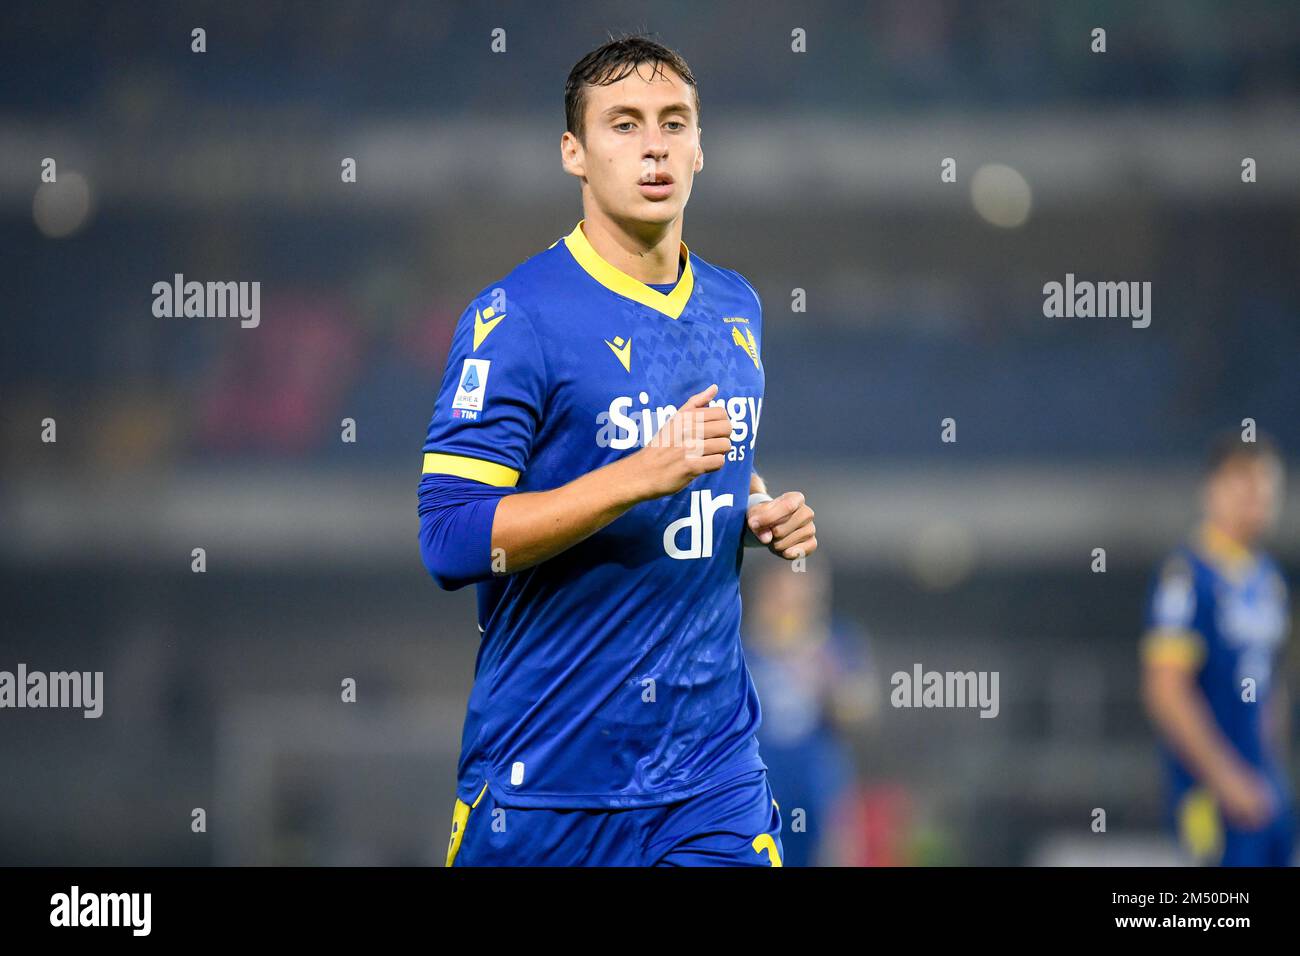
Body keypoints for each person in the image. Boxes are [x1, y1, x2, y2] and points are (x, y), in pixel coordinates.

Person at [417, 34, 817, 866]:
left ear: (701, 146)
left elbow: (694, 462)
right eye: (624, 124)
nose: (654, 146)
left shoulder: (736, 307)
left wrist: (748, 511)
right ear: (575, 152)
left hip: (710, 774)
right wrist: (642, 475)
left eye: (674, 123)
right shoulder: (517, 320)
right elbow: (451, 539)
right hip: (548, 781)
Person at [1140, 433, 1292, 865]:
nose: (1256, 501)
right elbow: (1166, 692)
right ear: (1212, 490)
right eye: (1243, 488)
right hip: (1211, 791)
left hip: (1264, 782)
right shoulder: (1187, 577)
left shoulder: (1268, 579)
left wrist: (1272, 769)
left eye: (1266, 491)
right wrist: (1227, 779)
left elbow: (1268, 685)